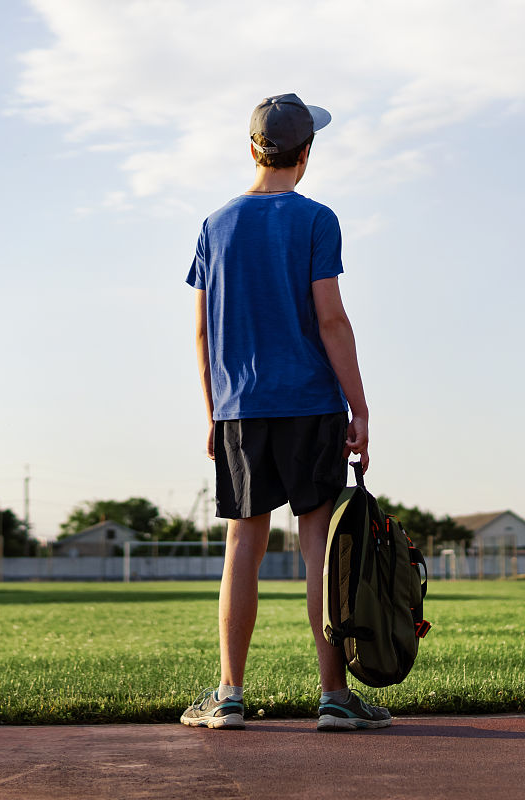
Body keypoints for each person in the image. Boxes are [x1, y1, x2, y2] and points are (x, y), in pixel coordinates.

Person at [179, 93, 388, 732]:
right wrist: (359, 406)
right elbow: (332, 320)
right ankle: (334, 697)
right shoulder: (317, 220)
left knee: (243, 543)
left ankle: (229, 695)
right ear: (307, 153)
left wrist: (214, 414)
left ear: (253, 149)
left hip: (240, 407)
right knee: (317, 547)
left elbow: (202, 333)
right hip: (309, 404)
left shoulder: (215, 225)